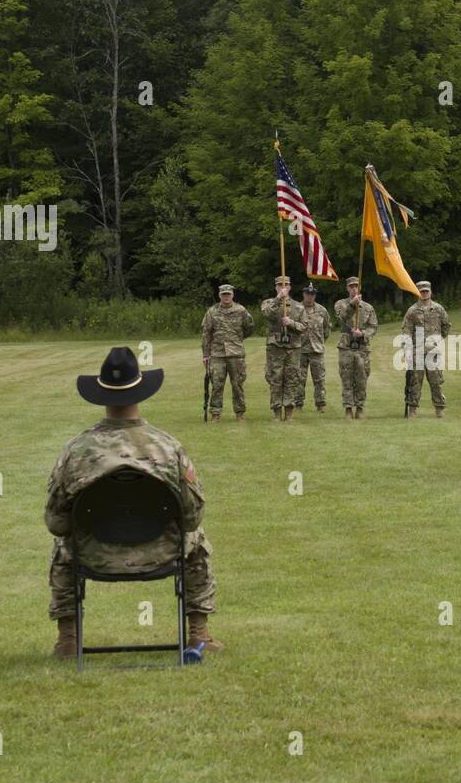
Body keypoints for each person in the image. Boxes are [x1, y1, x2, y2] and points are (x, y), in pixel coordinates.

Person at [45, 347, 220, 658]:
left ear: (100, 395)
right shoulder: (168, 448)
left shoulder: (75, 451)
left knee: (62, 548)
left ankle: (68, 640)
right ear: (141, 392)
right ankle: (198, 634)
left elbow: (56, 523)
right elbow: (192, 517)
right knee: (198, 540)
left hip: (94, 554)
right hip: (161, 553)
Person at [201, 284, 254, 422]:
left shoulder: (241, 310)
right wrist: (206, 354)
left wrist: (237, 339)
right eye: (223, 294)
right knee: (217, 385)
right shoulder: (212, 311)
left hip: (236, 353)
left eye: (228, 294)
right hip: (217, 354)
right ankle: (215, 413)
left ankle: (240, 413)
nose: (226, 297)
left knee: (237, 384)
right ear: (219, 296)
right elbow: (206, 333)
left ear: (232, 295)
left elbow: (249, 328)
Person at [400, 280, 450, 417]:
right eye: (421, 291)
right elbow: (406, 331)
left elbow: (446, 326)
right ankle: (412, 409)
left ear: (430, 292)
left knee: (436, 381)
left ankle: (439, 408)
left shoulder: (438, 309)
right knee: (415, 381)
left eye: (426, 291)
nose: (424, 293)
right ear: (418, 292)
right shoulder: (412, 311)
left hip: (433, 352)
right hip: (417, 352)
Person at [333, 276, 378, 418]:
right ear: (347, 288)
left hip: (362, 348)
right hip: (346, 346)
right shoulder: (340, 304)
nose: (354, 288)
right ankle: (348, 408)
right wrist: (352, 305)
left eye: (356, 286)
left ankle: (359, 407)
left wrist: (363, 333)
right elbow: (341, 317)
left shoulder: (368, 308)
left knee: (362, 377)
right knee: (346, 377)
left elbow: (373, 327)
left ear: (359, 288)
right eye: (351, 286)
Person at [260, 275, 304, 420]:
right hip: (275, 347)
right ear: (276, 287)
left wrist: (291, 323)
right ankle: (277, 411)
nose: (283, 287)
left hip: (293, 348)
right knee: (275, 378)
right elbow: (266, 314)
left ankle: (289, 410)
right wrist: (278, 298)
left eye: (285, 285)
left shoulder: (298, 306)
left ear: (290, 287)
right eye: (280, 285)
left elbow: (304, 327)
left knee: (291, 378)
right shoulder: (268, 303)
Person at [292, 283, 330, 413]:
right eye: (307, 294)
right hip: (299, 349)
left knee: (319, 379)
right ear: (303, 294)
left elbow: (326, 330)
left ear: (315, 295)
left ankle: (320, 404)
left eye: (312, 294)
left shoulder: (322, 310)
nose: (310, 296)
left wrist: (319, 342)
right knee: (298, 378)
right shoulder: (296, 308)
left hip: (316, 350)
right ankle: (298, 404)